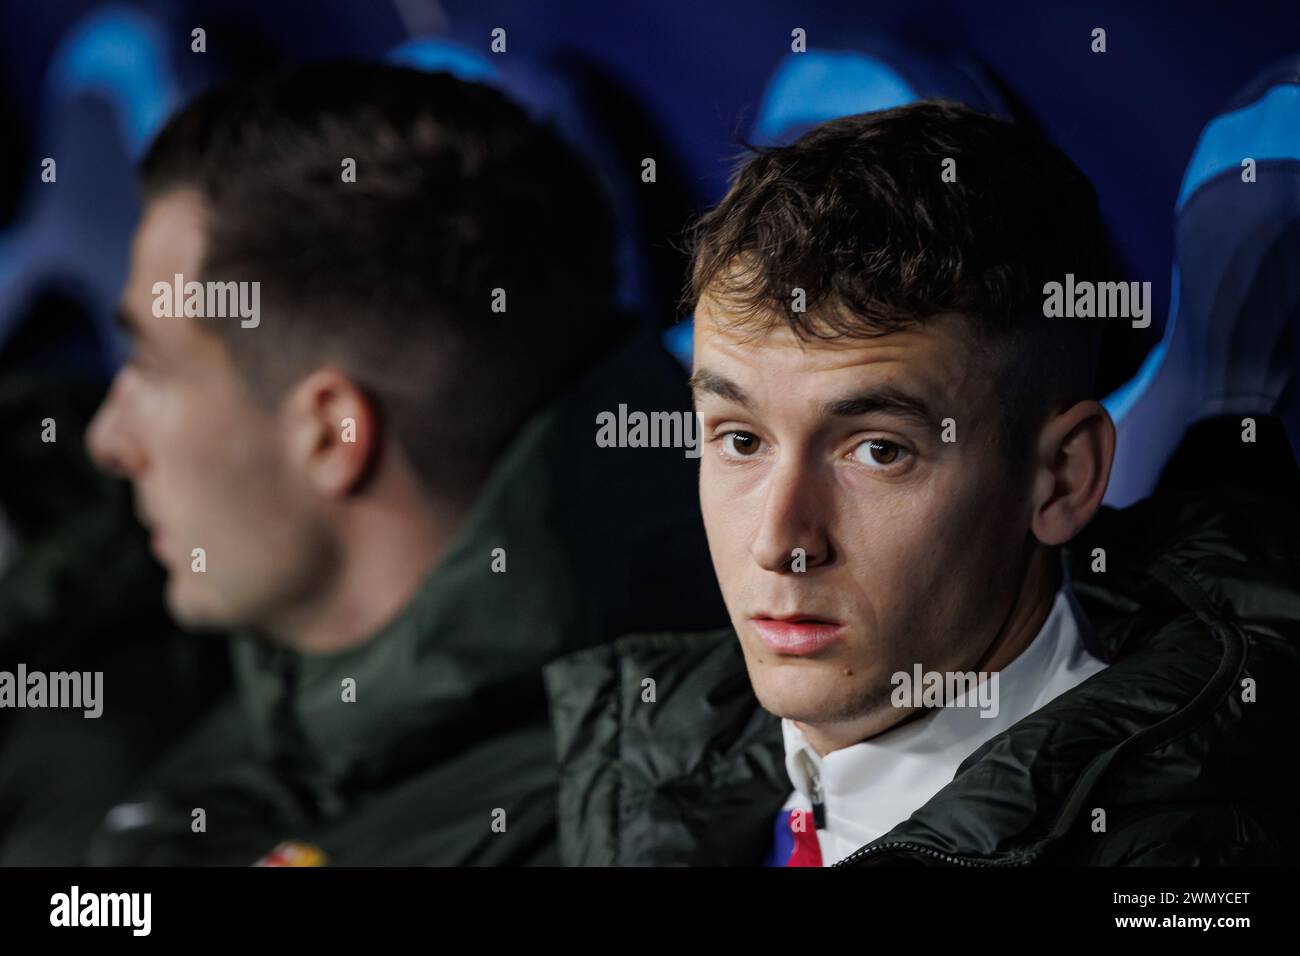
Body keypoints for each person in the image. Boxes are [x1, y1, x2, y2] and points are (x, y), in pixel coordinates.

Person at [543, 101, 1300, 866]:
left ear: (1063, 479)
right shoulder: (640, 748)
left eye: (878, 452)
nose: (780, 543)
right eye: (741, 440)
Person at [78, 62, 723, 865]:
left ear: (329, 435)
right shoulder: (287, 705)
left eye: (153, 368)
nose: (107, 439)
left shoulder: (607, 827)